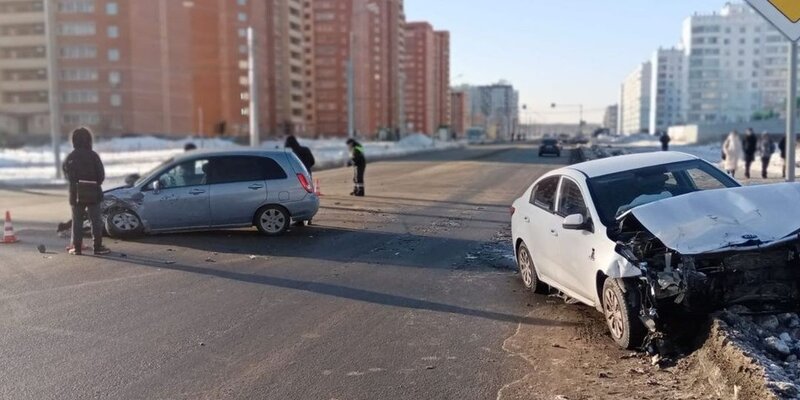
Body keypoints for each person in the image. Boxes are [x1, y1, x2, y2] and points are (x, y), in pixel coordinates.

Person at [62, 127, 110, 255]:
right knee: (95, 221)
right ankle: (98, 247)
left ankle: (77, 248)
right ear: (89, 140)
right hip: (93, 192)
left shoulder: (71, 157)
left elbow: (68, 176)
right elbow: (101, 175)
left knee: (77, 221)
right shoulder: (93, 155)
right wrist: (94, 183)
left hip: (76, 193)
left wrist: (77, 183)